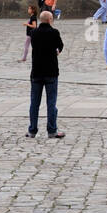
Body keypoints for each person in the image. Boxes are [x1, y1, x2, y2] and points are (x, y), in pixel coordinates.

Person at [26, 10, 65, 140]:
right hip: (51, 72)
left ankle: (32, 130)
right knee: (51, 103)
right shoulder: (54, 32)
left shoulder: (34, 32)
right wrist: (56, 51)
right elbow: (60, 46)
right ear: (49, 20)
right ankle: (52, 130)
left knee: (34, 103)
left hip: (36, 72)